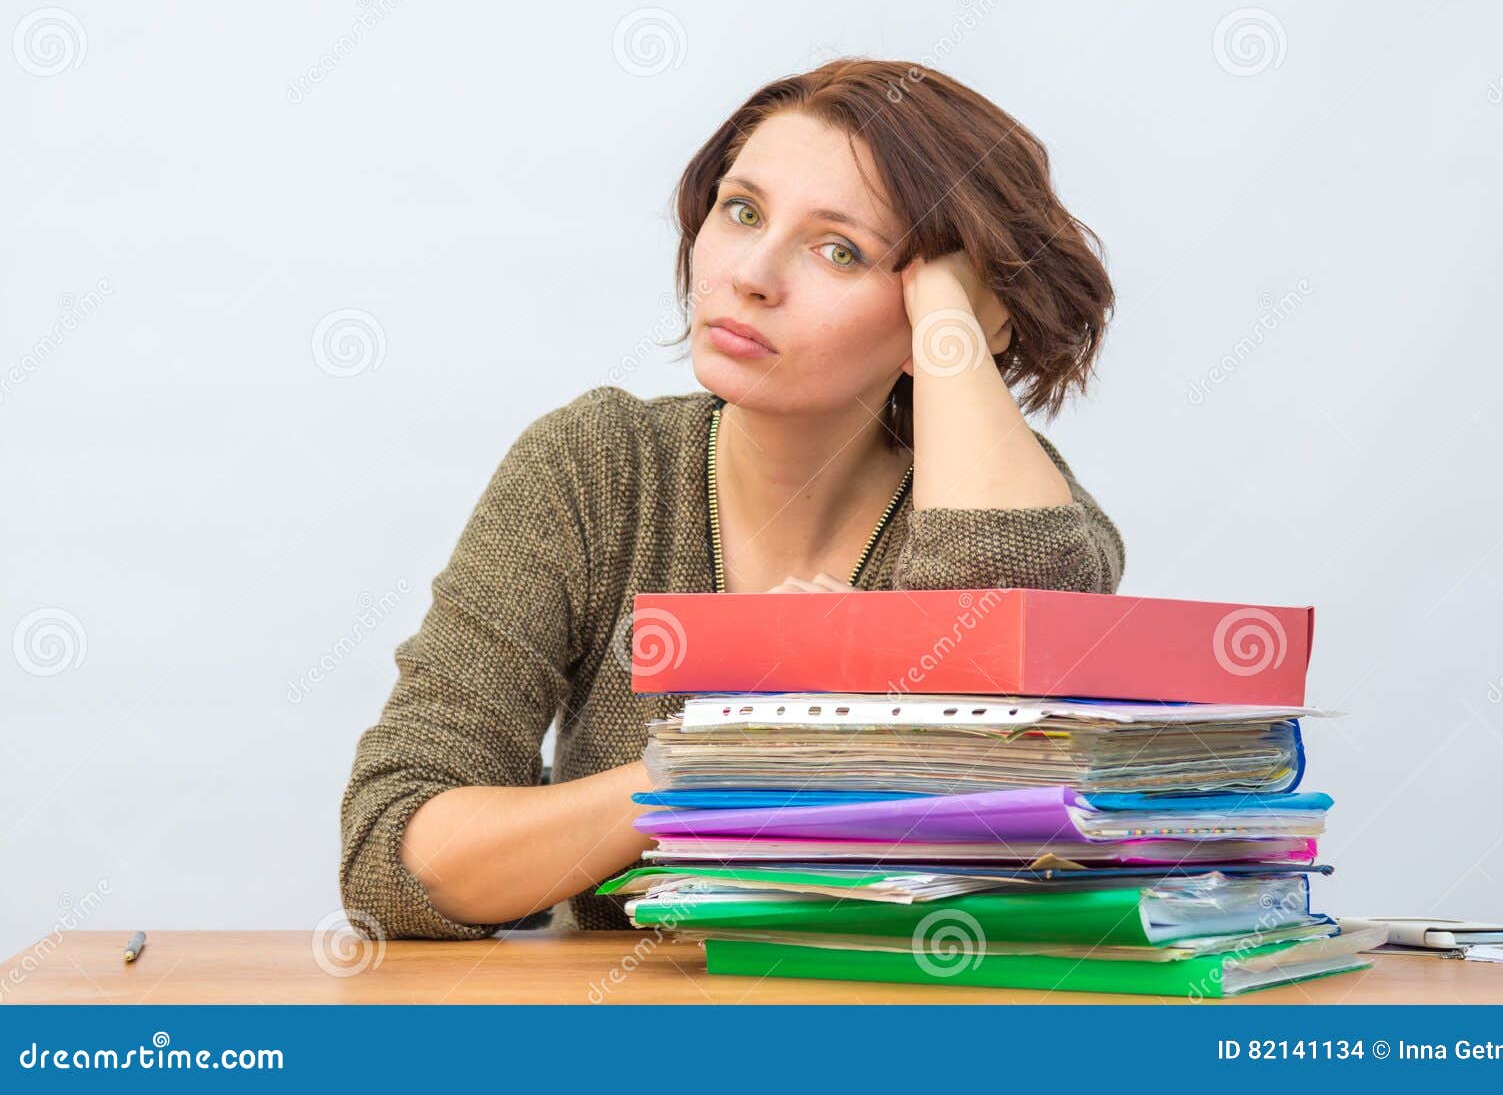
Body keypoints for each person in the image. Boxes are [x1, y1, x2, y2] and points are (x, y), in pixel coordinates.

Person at [338, 57, 1125, 939]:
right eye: (741, 210)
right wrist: (726, 755)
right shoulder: (598, 469)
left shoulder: (1020, 505)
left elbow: (1008, 843)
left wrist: (948, 319)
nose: (751, 272)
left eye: (841, 249)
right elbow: (394, 859)